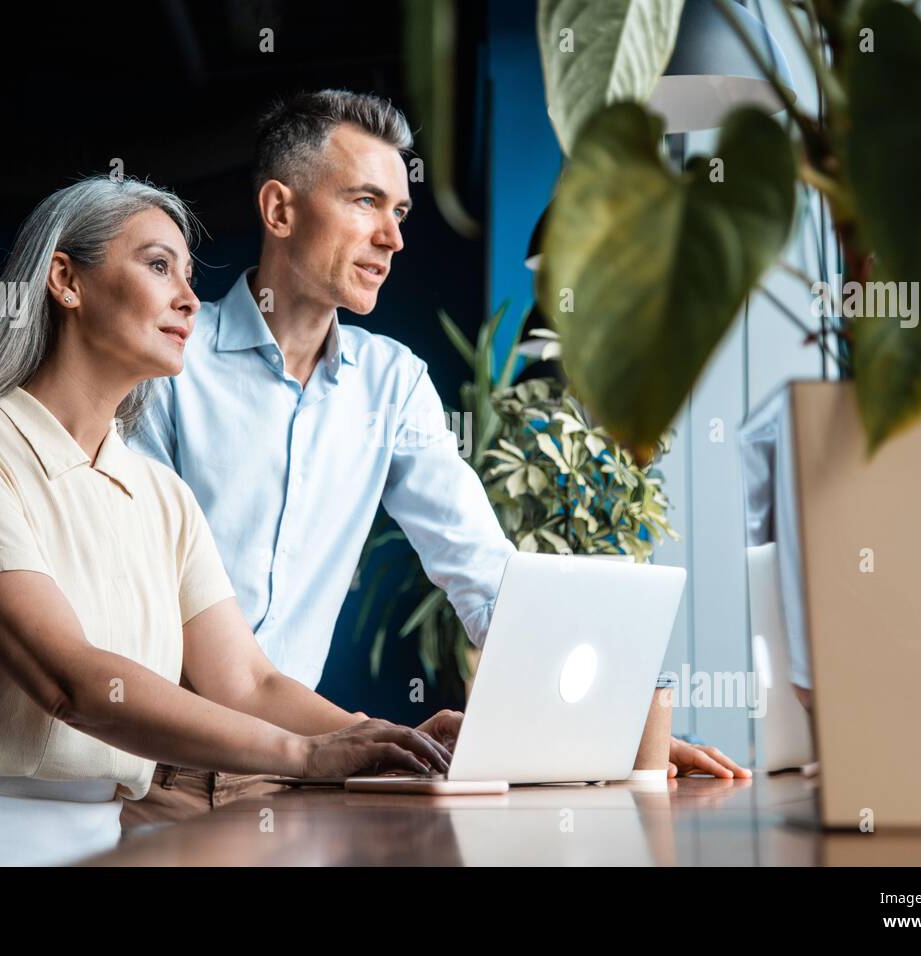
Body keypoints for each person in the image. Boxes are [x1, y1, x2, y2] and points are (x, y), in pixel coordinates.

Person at [124, 90, 748, 827]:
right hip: (157, 775)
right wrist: (378, 741)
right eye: (365, 201)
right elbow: (195, 651)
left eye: (401, 212)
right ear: (279, 210)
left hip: (296, 784)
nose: (392, 237)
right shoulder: (166, 367)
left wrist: (616, 732)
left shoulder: (392, 384)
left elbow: (485, 578)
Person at [0, 177, 449, 867]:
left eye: (188, 274)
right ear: (66, 280)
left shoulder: (162, 497)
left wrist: (392, 740)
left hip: (101, 838)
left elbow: (247, 683)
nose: (187, 298)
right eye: (157, 266)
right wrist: (306, 755)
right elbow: (73, 682)